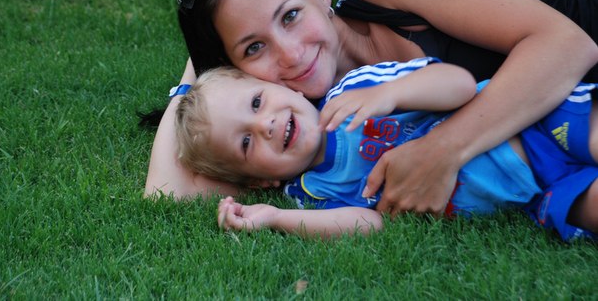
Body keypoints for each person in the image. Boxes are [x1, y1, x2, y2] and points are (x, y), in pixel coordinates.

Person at [145, 0, 598, 218]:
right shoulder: (304, 132)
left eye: (290, 15)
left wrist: (443, 151)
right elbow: (169, 194)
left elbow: (570, 45)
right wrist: (194, 83)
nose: (290, 54)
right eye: (254, 47)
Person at [175, 59, 598, 241]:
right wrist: (276, 217)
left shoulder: (356, 89)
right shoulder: (310, 193)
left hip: (539, 122)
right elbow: (369, 225)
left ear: (284, 88)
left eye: (257, 102)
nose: (264, 124)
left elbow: (461, 84)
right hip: (536, 193)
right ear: (259, 181)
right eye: (246, 142)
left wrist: (390, 93)